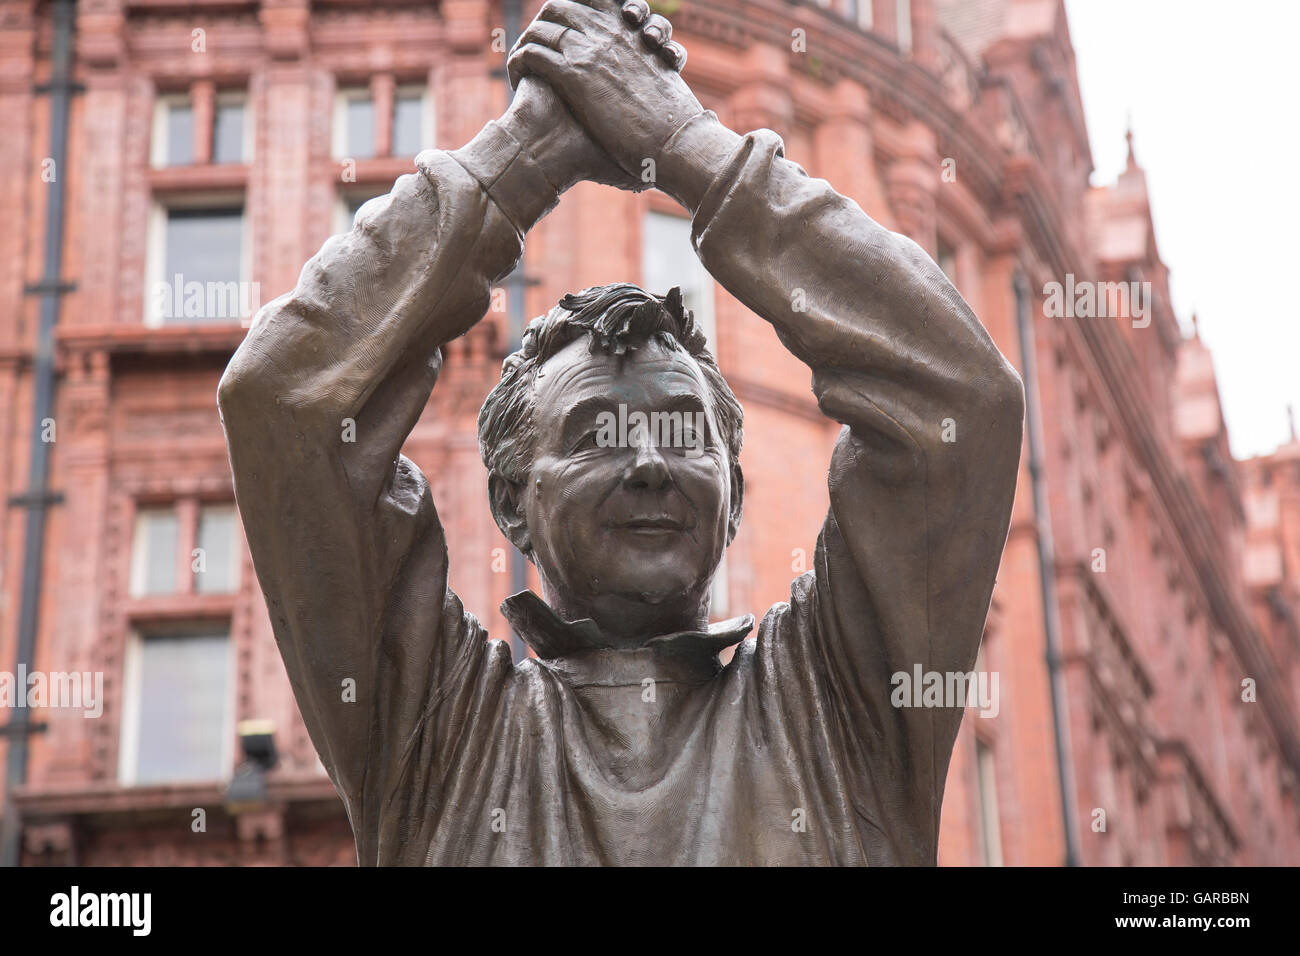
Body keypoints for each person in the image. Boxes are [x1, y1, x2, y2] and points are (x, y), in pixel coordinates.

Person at [217, 0, 1025, 865]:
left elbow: (962, 399)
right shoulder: (432, 732)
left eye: (682, 431)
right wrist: (522, 158)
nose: (648, 463)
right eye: (597, 434)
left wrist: (683, 141)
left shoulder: (839, 709)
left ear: (736, 494)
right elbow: (283, 401)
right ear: (512, 502)